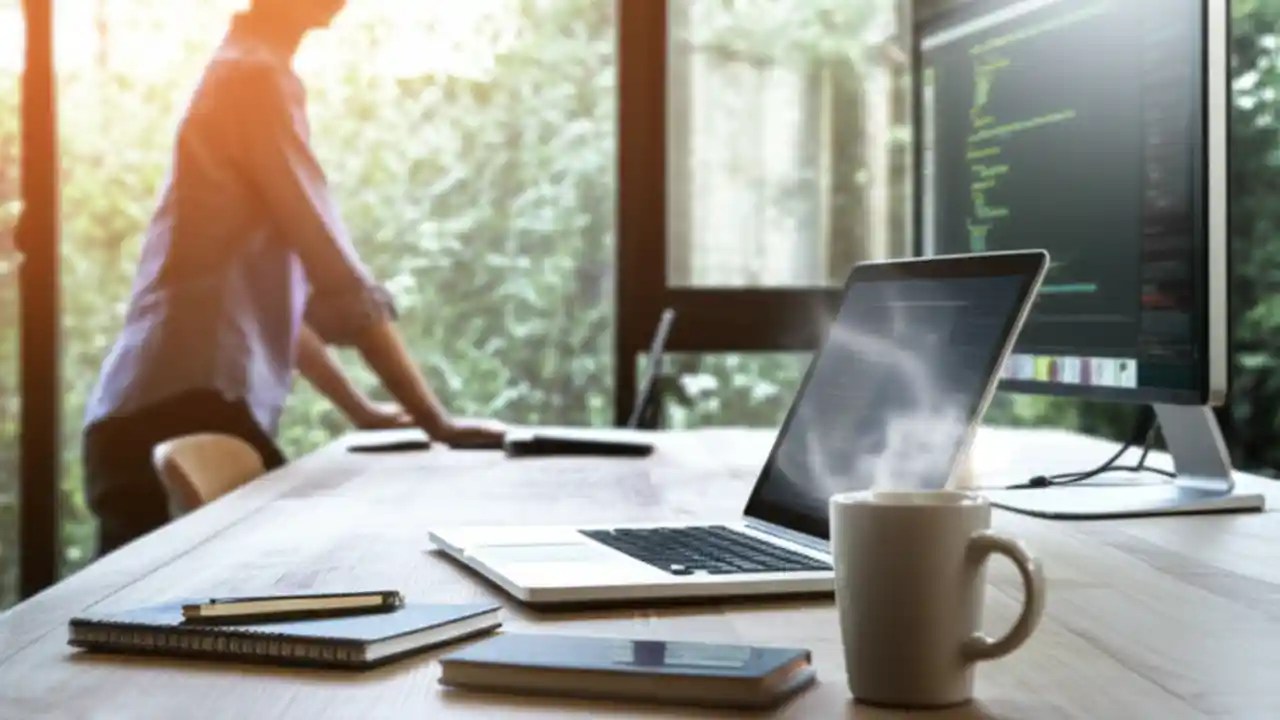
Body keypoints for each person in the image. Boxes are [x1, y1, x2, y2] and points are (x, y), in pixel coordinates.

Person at [82, 0, 505, 555]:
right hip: (175, 409)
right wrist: (436, 422)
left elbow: (274, 307)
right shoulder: (254, 79)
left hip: (154, 409)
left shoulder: (243, 70)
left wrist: (363, 410)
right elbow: (336, 273)